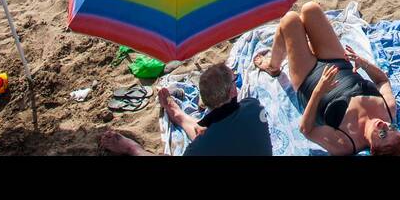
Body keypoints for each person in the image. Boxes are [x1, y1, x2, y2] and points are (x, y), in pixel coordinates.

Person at [253, 2, 400, 155]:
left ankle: (273, 66)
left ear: (374, 149)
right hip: (338, 62)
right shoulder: (388, 111)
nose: (385, 125)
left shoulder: (346, 143)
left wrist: (319, 90)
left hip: (309, 80)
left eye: (383, 134)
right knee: (310, 9)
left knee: (290, 21)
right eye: (392, 128)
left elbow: (306, 130)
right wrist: (364, 64)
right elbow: (382, 81)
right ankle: (312, 49)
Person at [98, 63, 272, 157]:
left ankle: (132, 148)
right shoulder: (253, 107)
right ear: (233, 91)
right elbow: (221, 125)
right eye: (235, 79)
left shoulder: (198, 148)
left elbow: (208, 134)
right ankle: (178, 115)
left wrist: (134, 149)